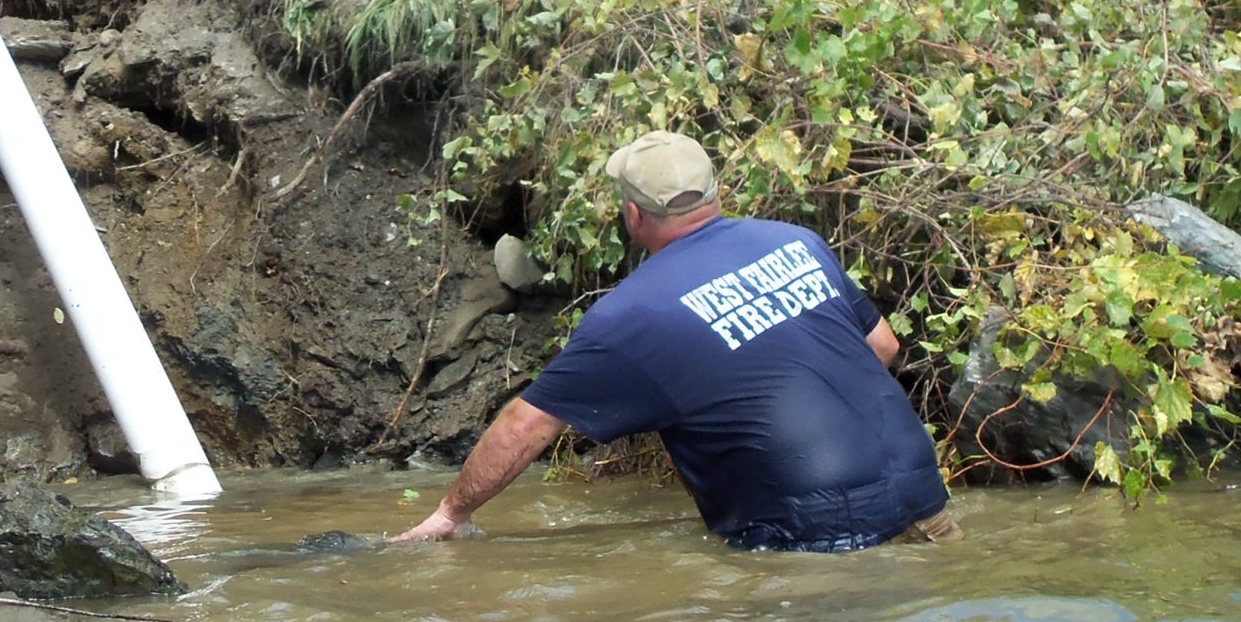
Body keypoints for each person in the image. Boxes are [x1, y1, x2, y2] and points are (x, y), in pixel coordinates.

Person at [393, 131, 955, 552]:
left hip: (813, 540)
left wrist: (451, 513)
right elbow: (882, 345)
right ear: (717, 192)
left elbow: (526, 424)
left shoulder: (631, 314)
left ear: (634, 215)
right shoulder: (798, 242)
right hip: (924, 498)